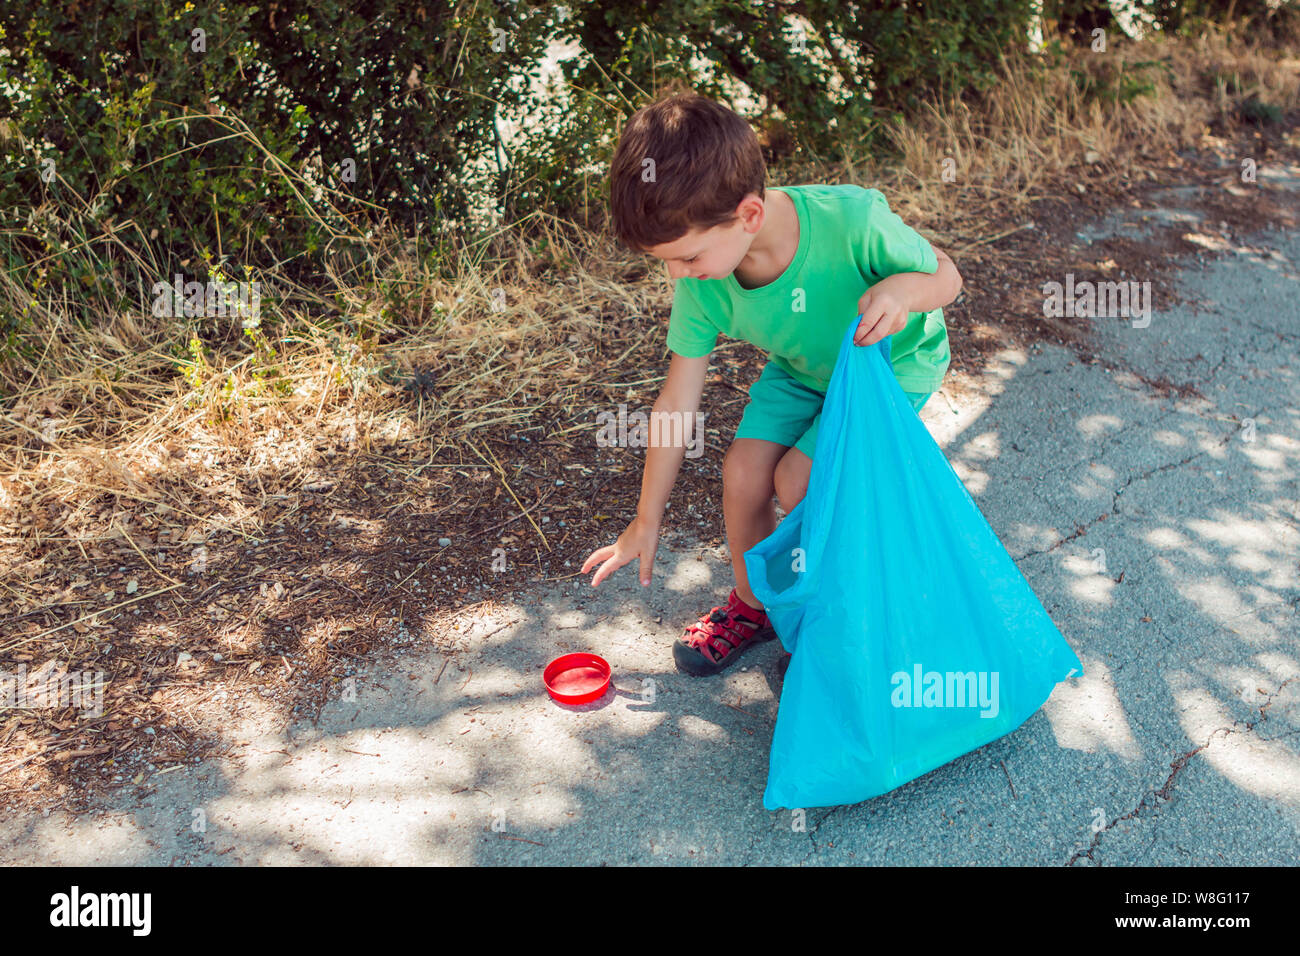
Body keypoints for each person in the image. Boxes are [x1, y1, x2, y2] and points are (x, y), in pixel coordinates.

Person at [580, 91, 962, 677]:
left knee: (798, 477)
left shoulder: (851, 221)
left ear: (748, 216)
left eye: (687, 258)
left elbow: (946, 274)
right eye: (667, 262)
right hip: (804, 369)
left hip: (889, 366)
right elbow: (677, 402)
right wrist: (646, 517)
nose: (676, 275)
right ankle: (756, 606)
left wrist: (902, 293)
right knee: (743, 472)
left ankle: (838, 619)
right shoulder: (703, 282)